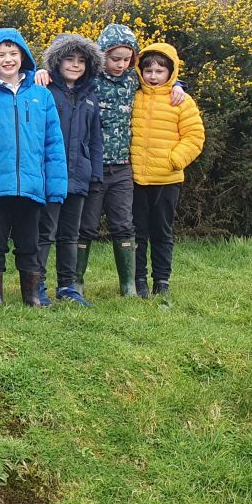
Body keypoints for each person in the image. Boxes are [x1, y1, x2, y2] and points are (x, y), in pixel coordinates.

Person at [75, 24, 188, 298]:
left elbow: (158, 81)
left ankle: (129, 285)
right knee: (86, 226)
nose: (121, 65)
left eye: (127, 59)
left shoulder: (131, 80)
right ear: (102, 54)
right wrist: (41, 73)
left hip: (123, 168)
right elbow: (63, 77)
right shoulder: (89, 79)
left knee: (125, 226)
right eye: (115, 59)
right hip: (93, 165)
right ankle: (76, 281)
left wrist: (180, 85)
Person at [0, 28, 66, 308]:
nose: (7, 59)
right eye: (0, 55)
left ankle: (31, 296)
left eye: (12, 53)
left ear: (23, 56)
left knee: (29, 243)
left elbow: (53, 143)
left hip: (31, 185)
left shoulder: (42, 96)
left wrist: (56, 186)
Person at [130, 43, 205, 300]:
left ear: (170, 72)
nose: (153, 76)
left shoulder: (181, 100)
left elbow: (194, 137)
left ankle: (161, 281)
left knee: (162, 233)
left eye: (160, 71)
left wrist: (175, 160)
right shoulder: (134, 96)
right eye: (148, 70)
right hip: (136, 178)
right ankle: (138, 280)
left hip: (167, 179)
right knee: (137, 233)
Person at [36, 34, 104, 307]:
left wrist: (95, 174)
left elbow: (96, 140)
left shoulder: (91, 97)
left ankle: (67, 286)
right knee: (45, 232)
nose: (75, 65)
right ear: (57, 61)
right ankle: (37, 285)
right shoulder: (44, 89)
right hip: (50, 174)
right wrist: (36, 72)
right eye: (69, 59)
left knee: (70, 234)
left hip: (79, 175)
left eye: (81, 60)